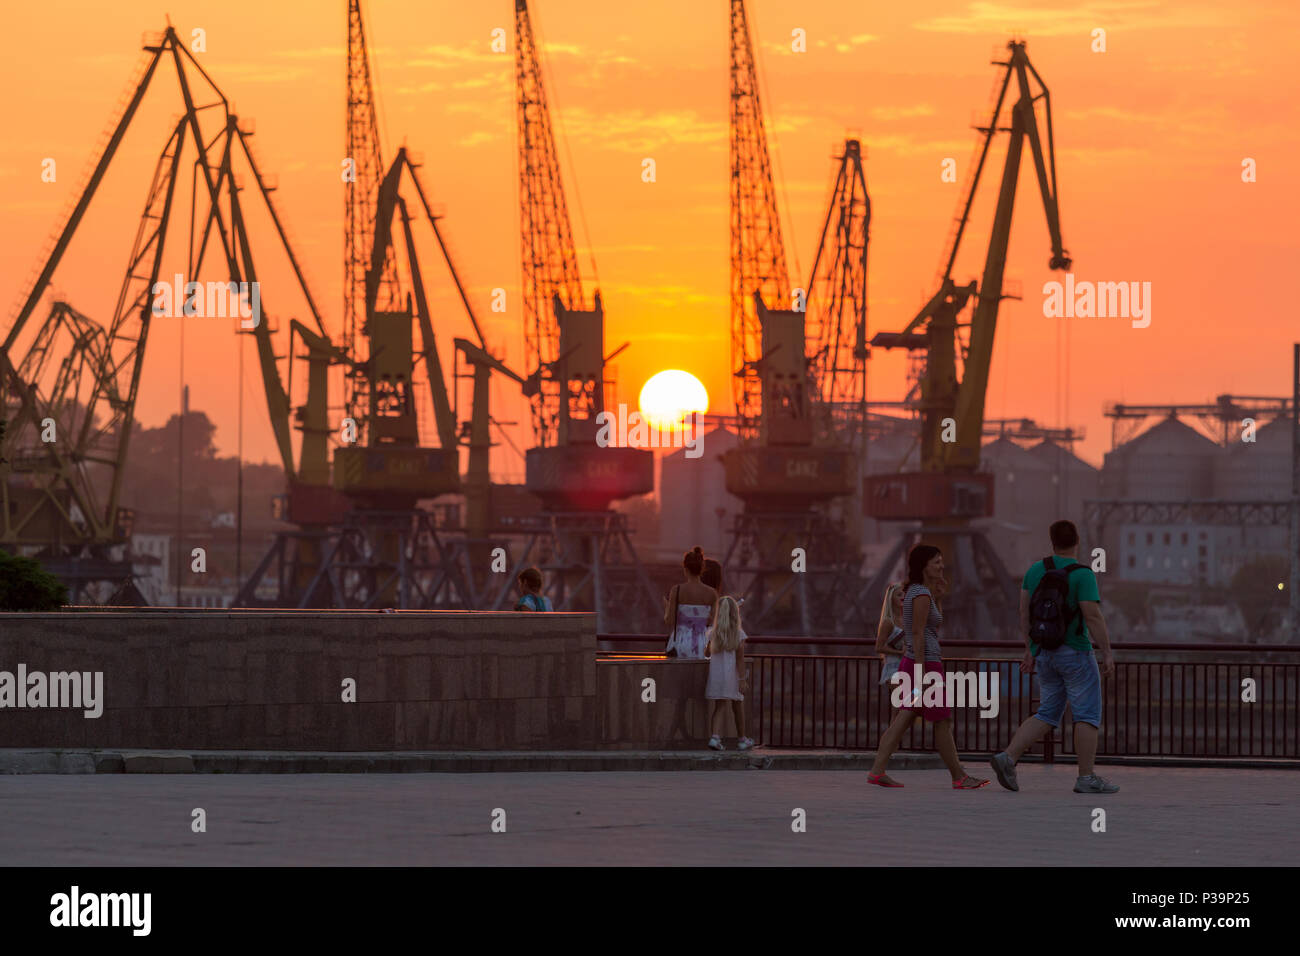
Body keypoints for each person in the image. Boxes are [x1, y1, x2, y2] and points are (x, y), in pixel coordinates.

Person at [990, 520, 1118, 793]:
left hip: (1045, 654)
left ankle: (1008, 757)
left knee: (1047, 712)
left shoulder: (1035, 571)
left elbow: (1024, 614)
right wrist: (1106, 652)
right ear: (1077, 541)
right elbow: (1092, 616)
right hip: (1075, 653)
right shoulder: (1083, 574)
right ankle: (1086, 778)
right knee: (1087, 714)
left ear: (1052, 541)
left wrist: (1030, 649)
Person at [867, 544, 989, 789]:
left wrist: (939, 598)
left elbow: (932, 627)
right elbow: (918, 633)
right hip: (925, 665)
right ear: (923, 565)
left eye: (941, 561)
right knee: (941, 720)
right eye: (936, 562)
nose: (942, 566)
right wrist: (923, 675)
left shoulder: (918, 592)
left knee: (904, 718)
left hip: (914, 662)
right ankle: (959, 777)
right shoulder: (920, 594)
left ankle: (877, 771)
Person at [705, 596, 754, 751]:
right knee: (737, 706)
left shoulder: (712, 633)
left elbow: (707, 652)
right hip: (732, 676)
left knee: (719, 707)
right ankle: (742, 739)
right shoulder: (739, 634)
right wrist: (742, 679)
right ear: (735, 613)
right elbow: (740, 660)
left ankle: (715, 738)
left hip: (716, 675)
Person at [664, 546, 717, 659]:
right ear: (702, 568)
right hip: (703, 643)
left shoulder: (677, 590)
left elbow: (669, 621)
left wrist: (667, 607)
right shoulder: (712, 593)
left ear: (685, 569)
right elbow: (713, 624)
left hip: (680, 642)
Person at [875, 582, 906, 691]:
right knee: (899, 701)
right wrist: (899, 652)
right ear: (891, 599)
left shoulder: (906, 620)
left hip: (907, 666)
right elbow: (879, 647)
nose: (903, 597)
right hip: (893, 667)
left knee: (912, 698)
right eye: (899, 595)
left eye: (904, 594)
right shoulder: (888, 622)